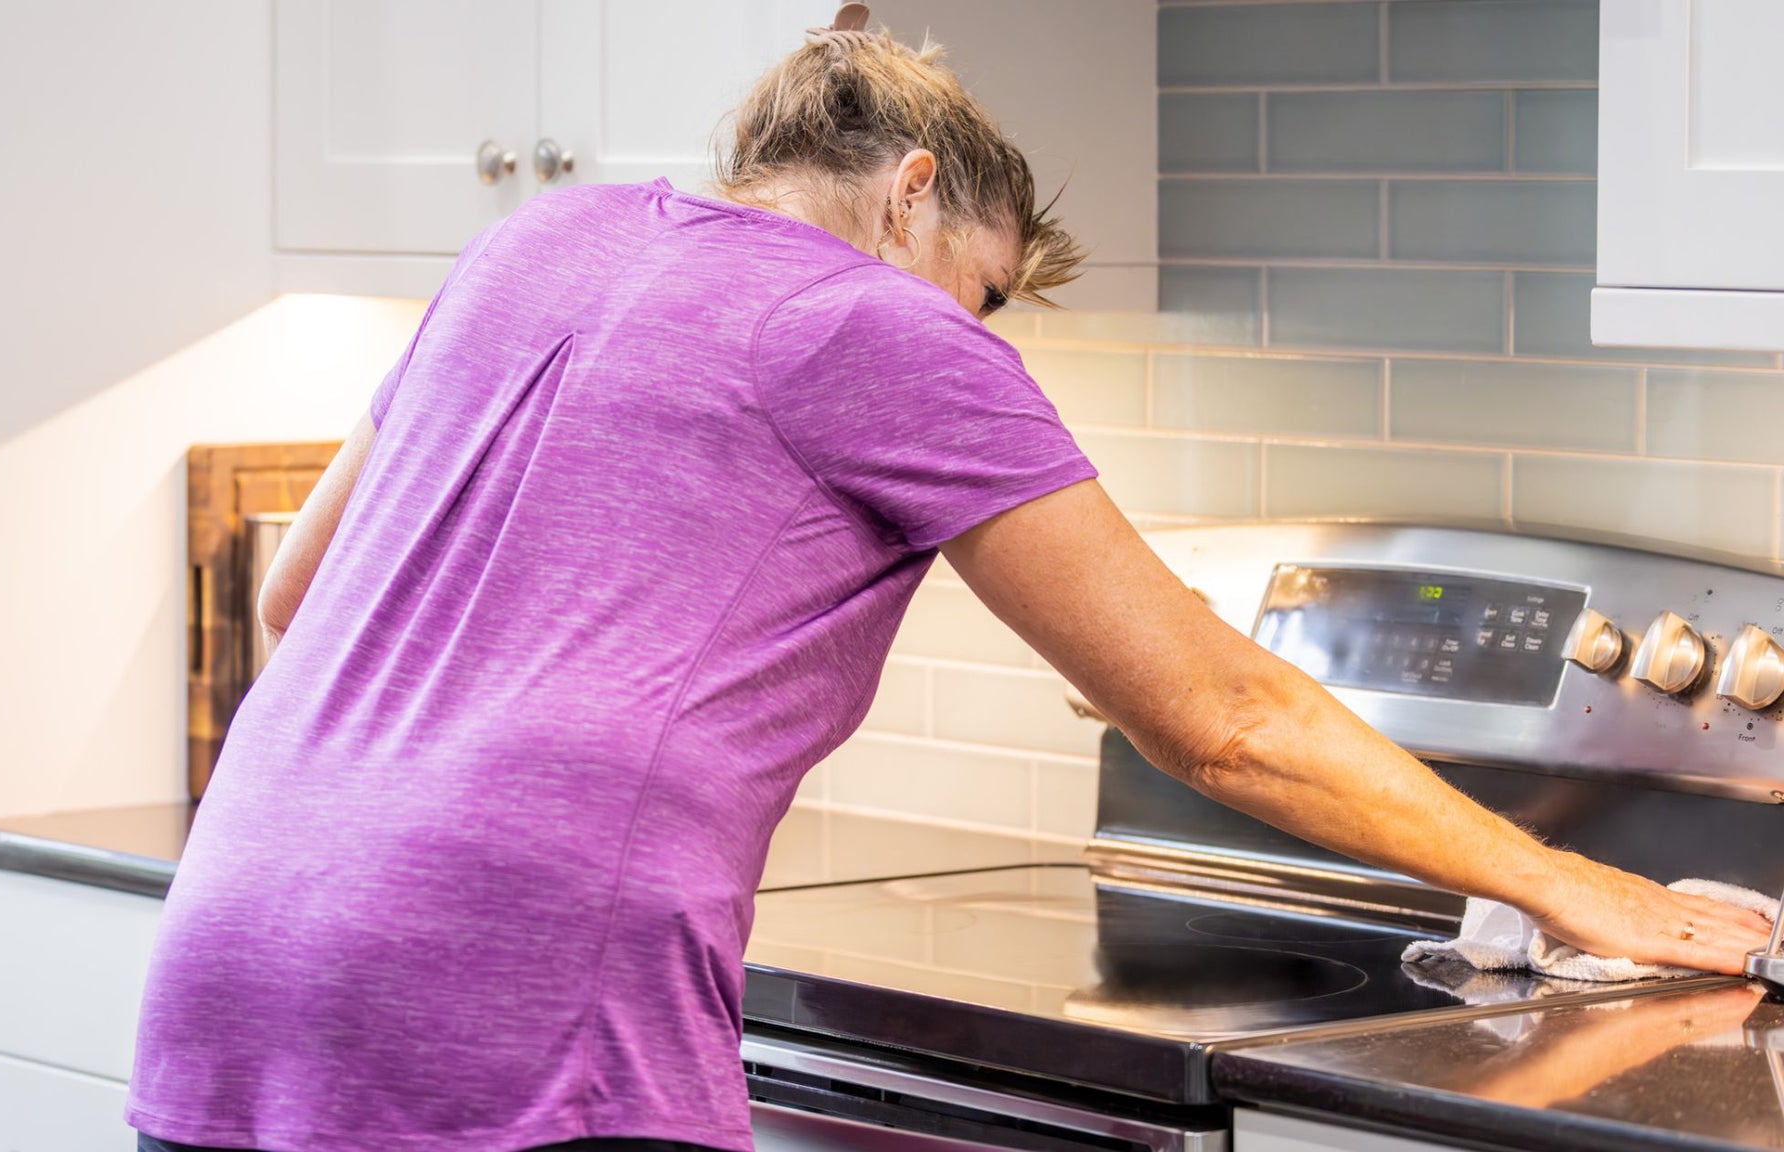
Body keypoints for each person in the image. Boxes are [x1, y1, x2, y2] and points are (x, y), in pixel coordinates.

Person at [126, 11, 1773, 1152]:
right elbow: (1222, 721)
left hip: (241, 953)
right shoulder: (883, 328)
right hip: (508, 992)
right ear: (914, 193)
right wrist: (1588, 893)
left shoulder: (538, 240)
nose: (978, 337)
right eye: (985, 293)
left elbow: (304, 595)